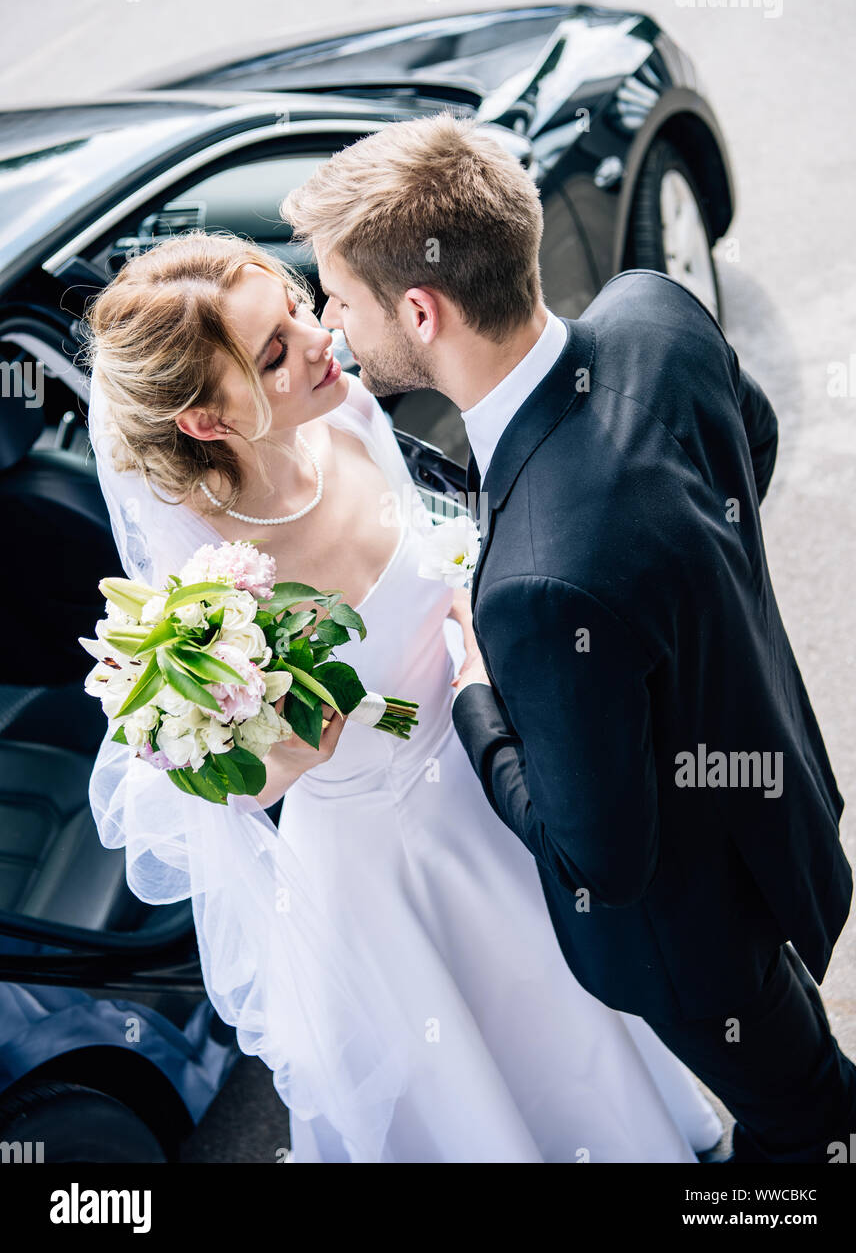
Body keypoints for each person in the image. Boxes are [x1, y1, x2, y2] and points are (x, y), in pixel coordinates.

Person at [282, 111, 856, 1164]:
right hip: (777, 792)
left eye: (340, 296)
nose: (330, 320)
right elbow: (755, 438)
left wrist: (475, 691)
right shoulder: (658, 315)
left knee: (805, 1119)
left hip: (694, 939)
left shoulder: (538, 590)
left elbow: (600, 853)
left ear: (419, 307)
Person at [83, 230, 722, 1163]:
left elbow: (441, 560)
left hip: (493, 780)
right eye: (273, 352)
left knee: (580, 1009)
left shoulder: (347, 423)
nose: (317, 339)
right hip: (384, 869)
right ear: (205, 422)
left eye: (300, 308)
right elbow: (209, 785)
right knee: (473, 1080)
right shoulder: (202, 580)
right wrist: (284, 760)